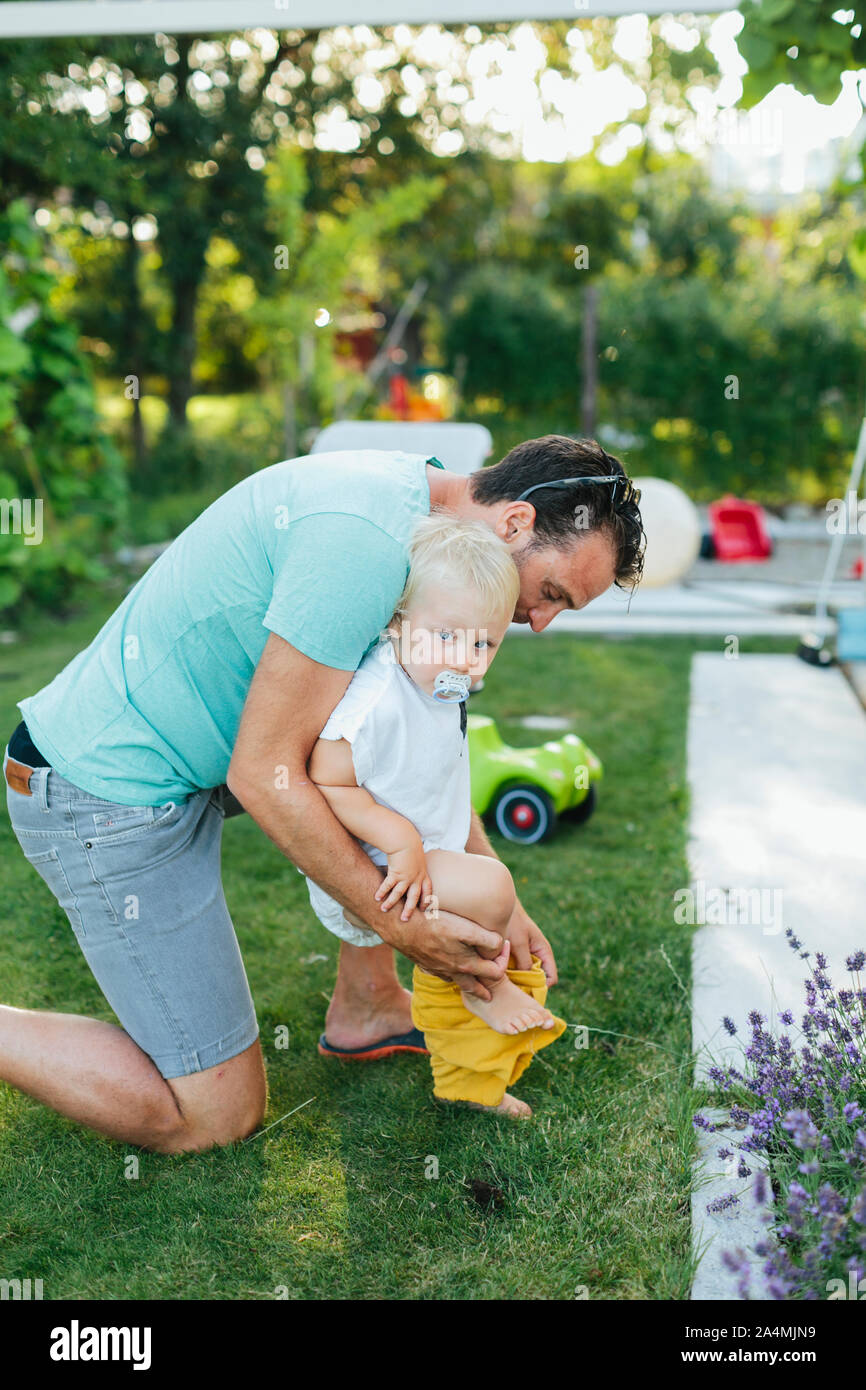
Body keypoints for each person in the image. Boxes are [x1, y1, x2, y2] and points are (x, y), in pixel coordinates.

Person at [2, 434, 643, 1152]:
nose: (543, 620)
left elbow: (408, 761)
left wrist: (501, 890)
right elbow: (267, 772)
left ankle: (367, 1006)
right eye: (553, 592)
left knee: (363, 769)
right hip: (103, 792)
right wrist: (402, 926)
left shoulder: (427, 539)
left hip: (197, 772)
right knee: (213, 1119)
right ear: (517, 524)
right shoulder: (365, 548)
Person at [305, 513, 567, 1117]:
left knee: (490, 929)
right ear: (397, 627)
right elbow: (327, 778)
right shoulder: (374, 700)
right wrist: (397, 839)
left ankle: (467, 1079)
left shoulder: (436, 685)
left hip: (425, 861)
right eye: (448, 637)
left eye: (486, 643)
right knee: (491, 888)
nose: (469, 660)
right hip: (377, 870)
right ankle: (488, 993)